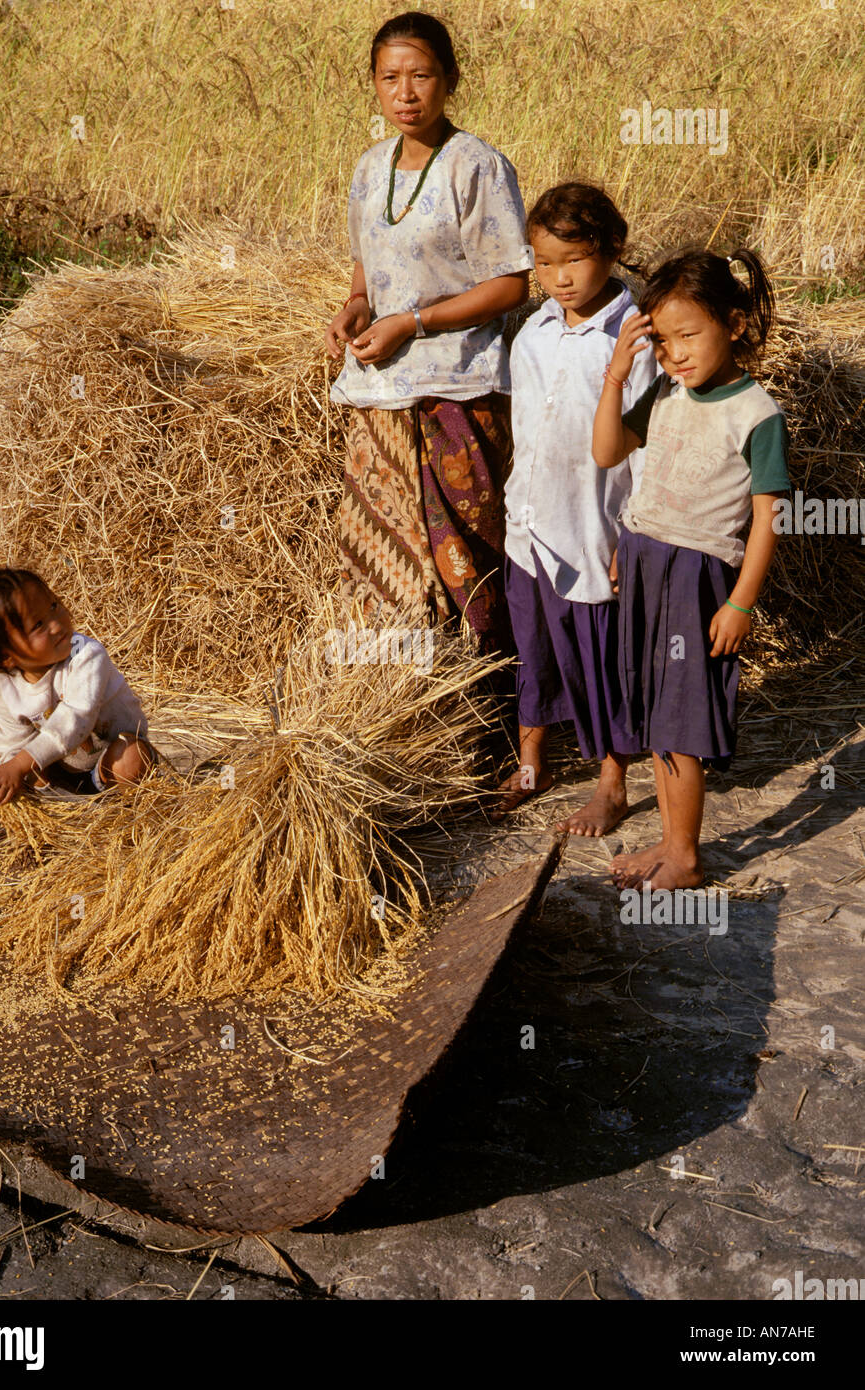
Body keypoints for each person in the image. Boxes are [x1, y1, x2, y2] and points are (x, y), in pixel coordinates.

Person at [325, 10, 533, 651]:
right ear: (373, 84)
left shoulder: (476, 167)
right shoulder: (369, 168)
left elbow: (510, 284)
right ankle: (409, 698)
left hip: (459, 390)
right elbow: (369, 263)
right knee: (385, 560)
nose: (406, 94)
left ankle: (492, 704)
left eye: (421, 76)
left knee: (470, 560)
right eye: (390, 78)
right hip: (381, 395)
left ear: (450, 79)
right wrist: (356, 305)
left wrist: (412, 322)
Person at [592, 247, 790, 889]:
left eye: (689, 335)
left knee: (682, 715)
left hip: (696, 579)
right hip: (646, 563)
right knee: (655, 709)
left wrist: (741, 603)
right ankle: (672, 840)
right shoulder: (664, 392)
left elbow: (768, 520)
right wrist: (618, 376)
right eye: (664, 340)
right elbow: (606, 454)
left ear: (733, 324)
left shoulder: (756, 415)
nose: (675, 352)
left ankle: (685, 855)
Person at [493, 182, 661, 831]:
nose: (558, 278)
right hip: (529, 522)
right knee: (533, 644)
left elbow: (645, 447)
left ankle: (613, 781)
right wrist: (516, 505)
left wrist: (634, 532)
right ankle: (530, 757)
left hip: (594, 524)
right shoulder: (532, 333)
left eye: (574, 259)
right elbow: (526, 429)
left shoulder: (632, 337)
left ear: (611, 251)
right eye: (544, 262)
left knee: (599, 655)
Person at [0, 568, 156, 813]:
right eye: (38, 624)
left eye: (54, 605)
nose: (57, 623)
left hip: (109, 764)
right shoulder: (4, 687)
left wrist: (19, 764)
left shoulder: (85, 654)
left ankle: (122, 814)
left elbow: (76, 716)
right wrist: (10, 770)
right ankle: (11, 796)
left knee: (132, 758)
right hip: (54, 770)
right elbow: (13, 747)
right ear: (5, 657)